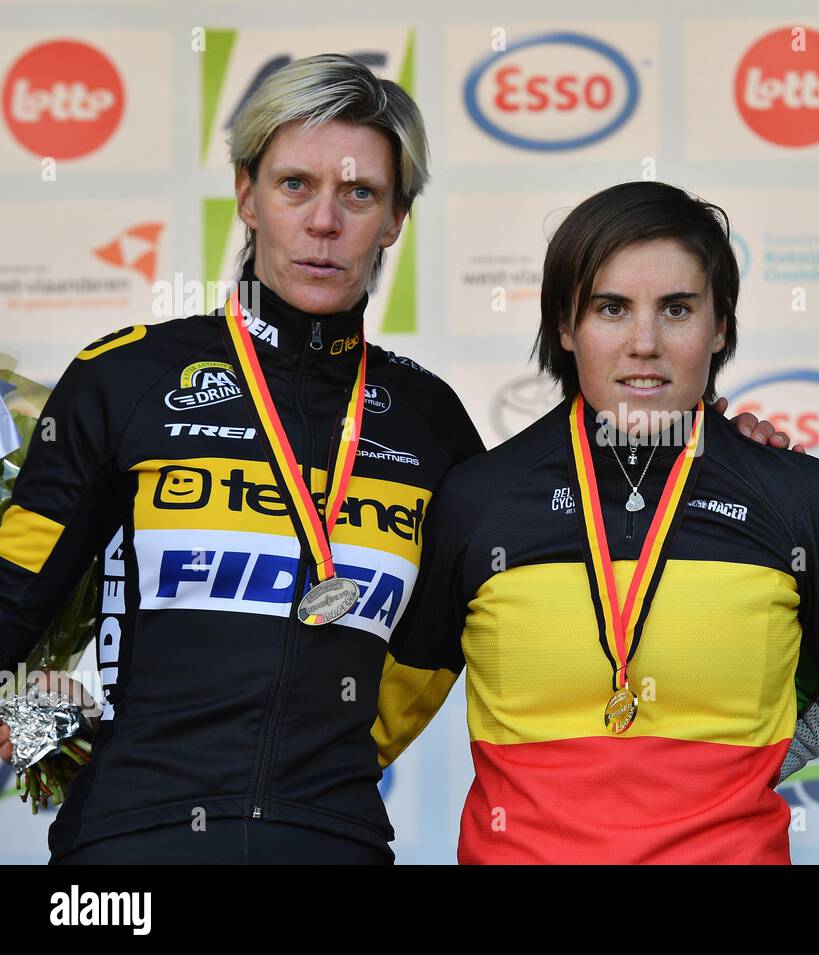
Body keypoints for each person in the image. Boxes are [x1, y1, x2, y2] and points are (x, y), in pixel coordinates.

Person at [0, 54, 484, 864]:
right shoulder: (123, 378)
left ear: (397, 218)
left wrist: (719, 446)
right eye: (295, 184)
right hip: (129, 843)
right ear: (245, 194)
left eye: (359, 192)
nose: (324, 221)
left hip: (332, 840)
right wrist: (33, 722)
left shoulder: (432, 422)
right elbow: (14, 591)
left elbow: (441, 642)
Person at [371, 180, 819, 864]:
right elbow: (363, 735)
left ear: (720, 326)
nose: (643, 342)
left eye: (677, 309)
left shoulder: (800, 498)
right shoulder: (479, 500)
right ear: (566, 327)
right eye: (611, 308)